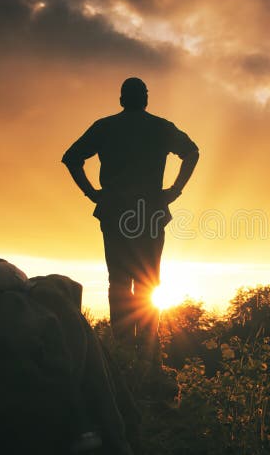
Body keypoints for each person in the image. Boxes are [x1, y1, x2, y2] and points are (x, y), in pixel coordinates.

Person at [62, 77, 199, 356]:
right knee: (149, 280)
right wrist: (174, 190)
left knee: (120, 281)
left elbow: (71, 158)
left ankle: (124, 350)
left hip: (115, 212)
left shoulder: (105, 128)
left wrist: (92, 193)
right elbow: (192, 152)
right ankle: (148, 350)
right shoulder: (160, 128)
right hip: (149, 211)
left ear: (122, 99)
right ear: (145, 99)